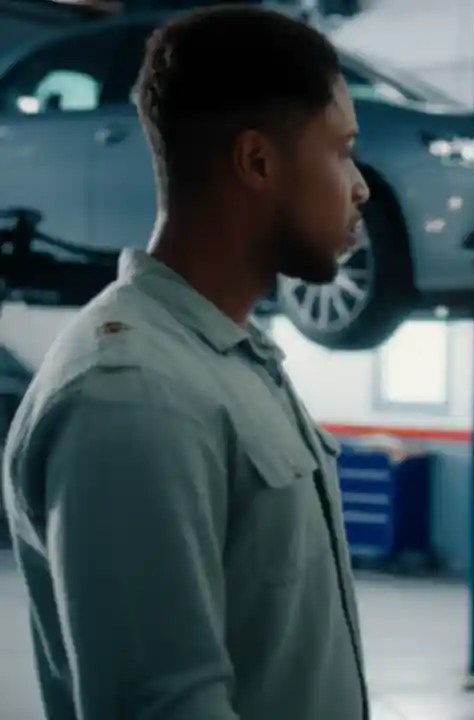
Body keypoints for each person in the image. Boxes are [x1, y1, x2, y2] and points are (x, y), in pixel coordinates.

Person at [2, 7, 371, 719]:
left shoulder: (233, 360)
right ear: (257, 162)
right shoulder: (132, 392)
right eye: (343, 150)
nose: (360, 187)